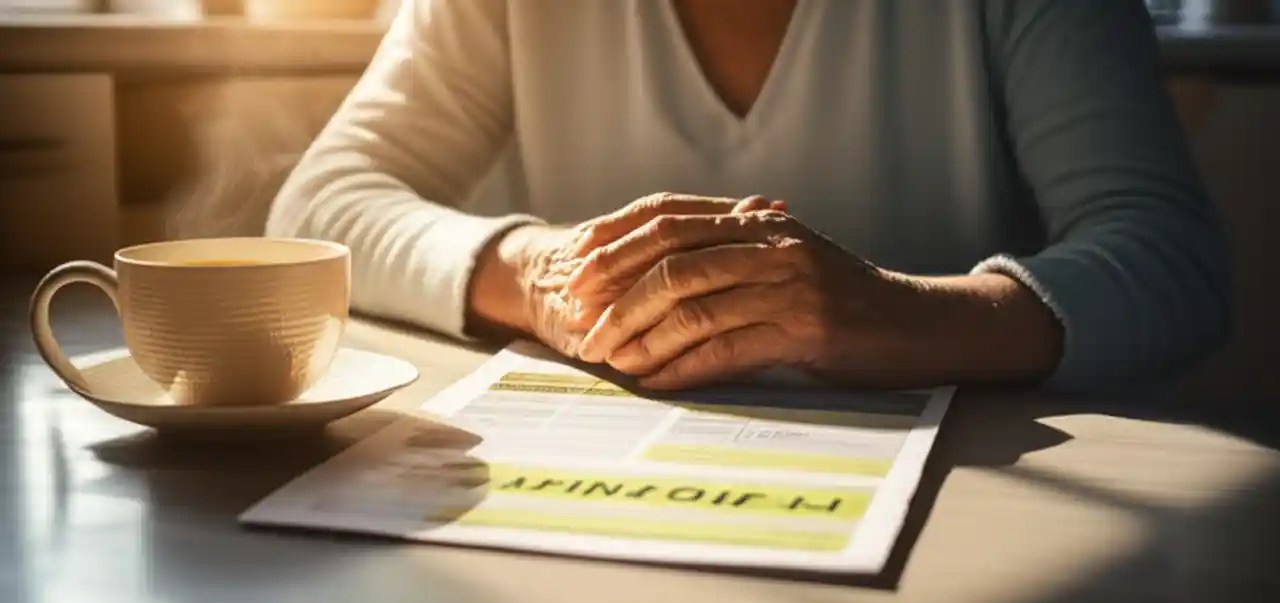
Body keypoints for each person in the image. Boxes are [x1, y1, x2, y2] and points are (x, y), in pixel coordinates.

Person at [268, 0, 1229, 392]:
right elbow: (318, 204)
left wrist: (905, 313)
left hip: (981, 510)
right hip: (606, 504)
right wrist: (541, 273)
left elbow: (1171, 259)